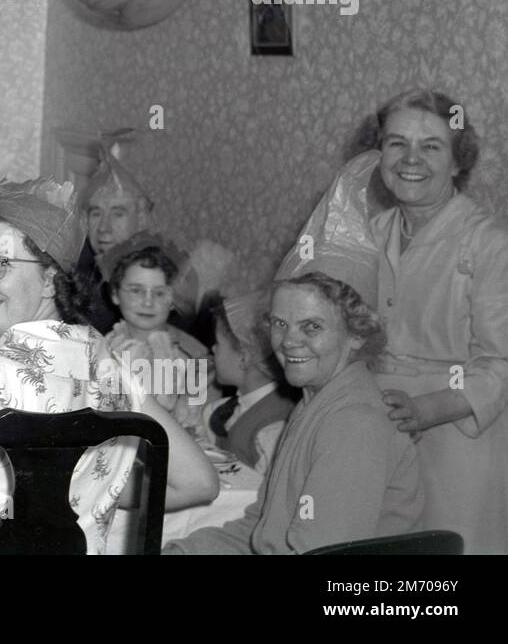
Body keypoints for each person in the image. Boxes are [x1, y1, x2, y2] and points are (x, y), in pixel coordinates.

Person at [0, 177, 219, 555]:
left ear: (50, 281)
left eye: (0, 263)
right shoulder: (102, 358)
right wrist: (94, 489)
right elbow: (198, 482)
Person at [167, 272, 423, 554]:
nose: (288, 341)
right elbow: (259, 526)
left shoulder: (354, 423)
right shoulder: (312, 402)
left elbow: (320, 553)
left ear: (357, 335)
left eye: (311, 327)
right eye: (280, 324)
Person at [362, 88, 508, 554]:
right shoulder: (368, 234)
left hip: (458, 443)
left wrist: (425, 409)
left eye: (431, 146)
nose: (411, 159)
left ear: (458, 162)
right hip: (377, 434)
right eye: (396, 142)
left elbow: (501, 365)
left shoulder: (489, 244)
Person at [103, 239, 215, 433]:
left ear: (173, 300)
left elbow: (199, 429)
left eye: (160, 293)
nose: (148, 302)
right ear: (115, 294)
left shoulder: (193, 358)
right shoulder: (102, 346)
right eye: (136, 291)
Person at [197, 291, 297, 474]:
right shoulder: (224, 409)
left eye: (218, 343)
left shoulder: (273, 428)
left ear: (244, 357)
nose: (213, 348)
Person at [71, 146, 157, 334]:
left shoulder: (155, 278)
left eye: (118, 214)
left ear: (141, 218)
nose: (103, 227)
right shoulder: (80, 265)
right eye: (96, 213)